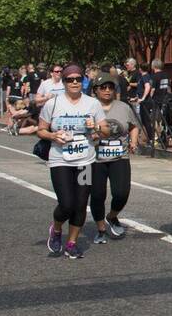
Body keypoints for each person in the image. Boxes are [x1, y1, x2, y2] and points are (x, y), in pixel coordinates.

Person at [36, 63, 104, 259]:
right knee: (67, 204)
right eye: (69, 79)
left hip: (85, 160)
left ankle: (72, 243)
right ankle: (56, 229)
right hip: (61, 160)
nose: (74, 82)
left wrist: (96, 129)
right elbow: (40, 130)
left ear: (83, 81)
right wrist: (52, 136)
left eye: (78, 79)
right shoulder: (53, 104)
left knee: (81, 204)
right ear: (64, 82)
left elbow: (105, 130)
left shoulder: (92, 103)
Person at [89, 75, 140, 244]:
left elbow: (133, 127)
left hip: (120, 156)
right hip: (95, 159)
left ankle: (112, 216)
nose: (107, 90)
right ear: (95, 89)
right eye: (103, 87)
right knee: (97, 195)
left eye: (110, 87)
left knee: (122, 193)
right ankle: (101, 229)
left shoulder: (123, 107)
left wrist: (133, 141)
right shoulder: (89, 107)